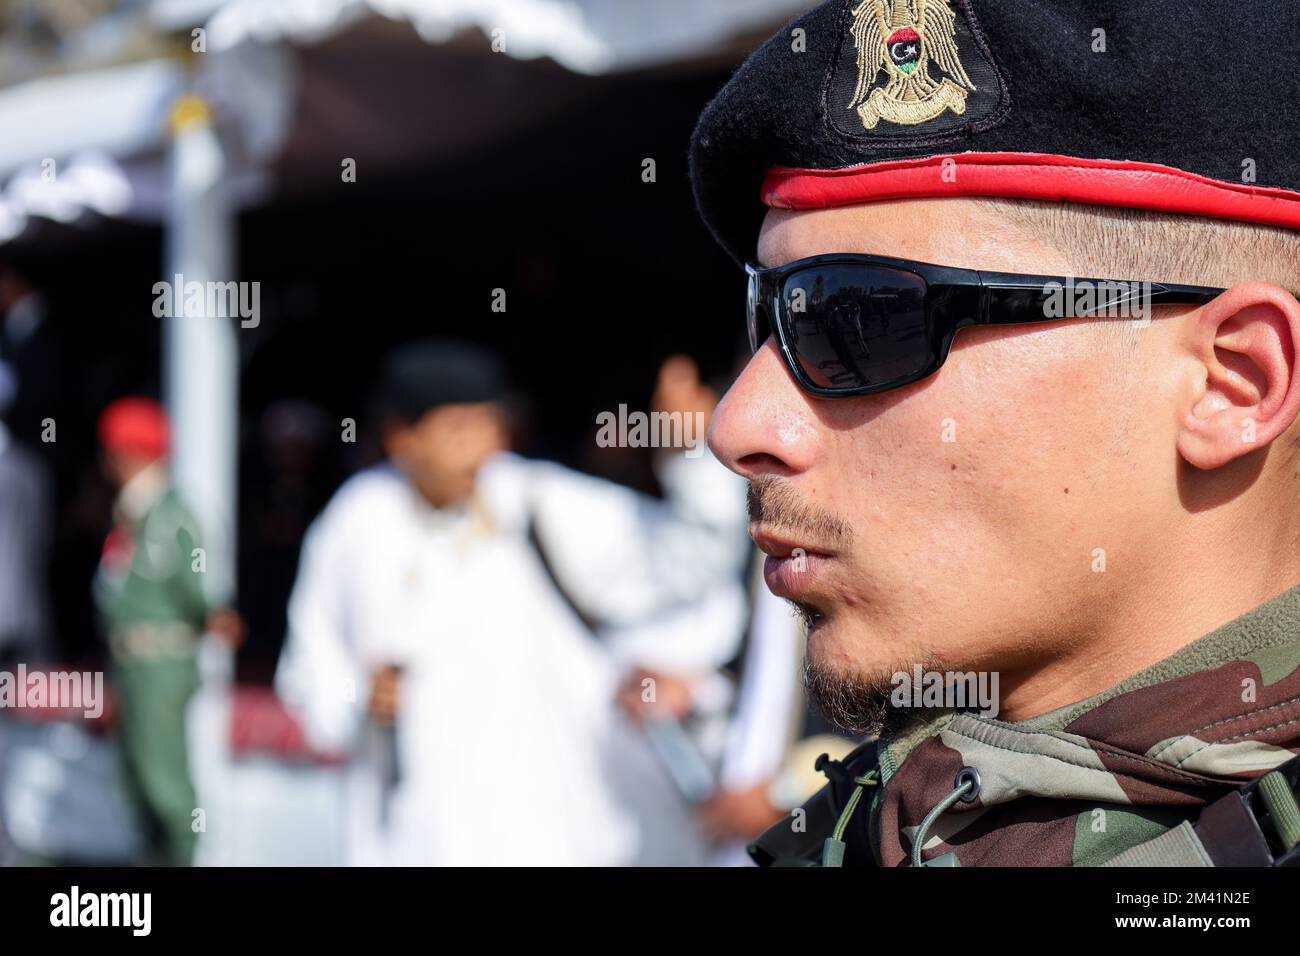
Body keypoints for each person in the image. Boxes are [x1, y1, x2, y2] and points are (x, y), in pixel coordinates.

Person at [690, 0, 1300, 866]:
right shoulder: (850, 833)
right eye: (767, 321)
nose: (739, 426)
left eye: (859, 321)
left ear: (1233, 382)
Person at [275, 340, 748, 865]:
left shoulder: (536, 502)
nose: (479, 449)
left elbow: (688, 558)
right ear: (401, 438)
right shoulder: (357, 523)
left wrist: (692, 457)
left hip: (548, 837)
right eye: (458, 430)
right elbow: (308, 670)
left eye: (488, 427)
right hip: (411, 840)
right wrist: (360, 695)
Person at [94, 397, 209, 865]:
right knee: (137, 782)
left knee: (167, 785)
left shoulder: (169, 514)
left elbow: (196, 592)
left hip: (160, 662)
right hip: (130, 663)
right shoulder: (131, 513)